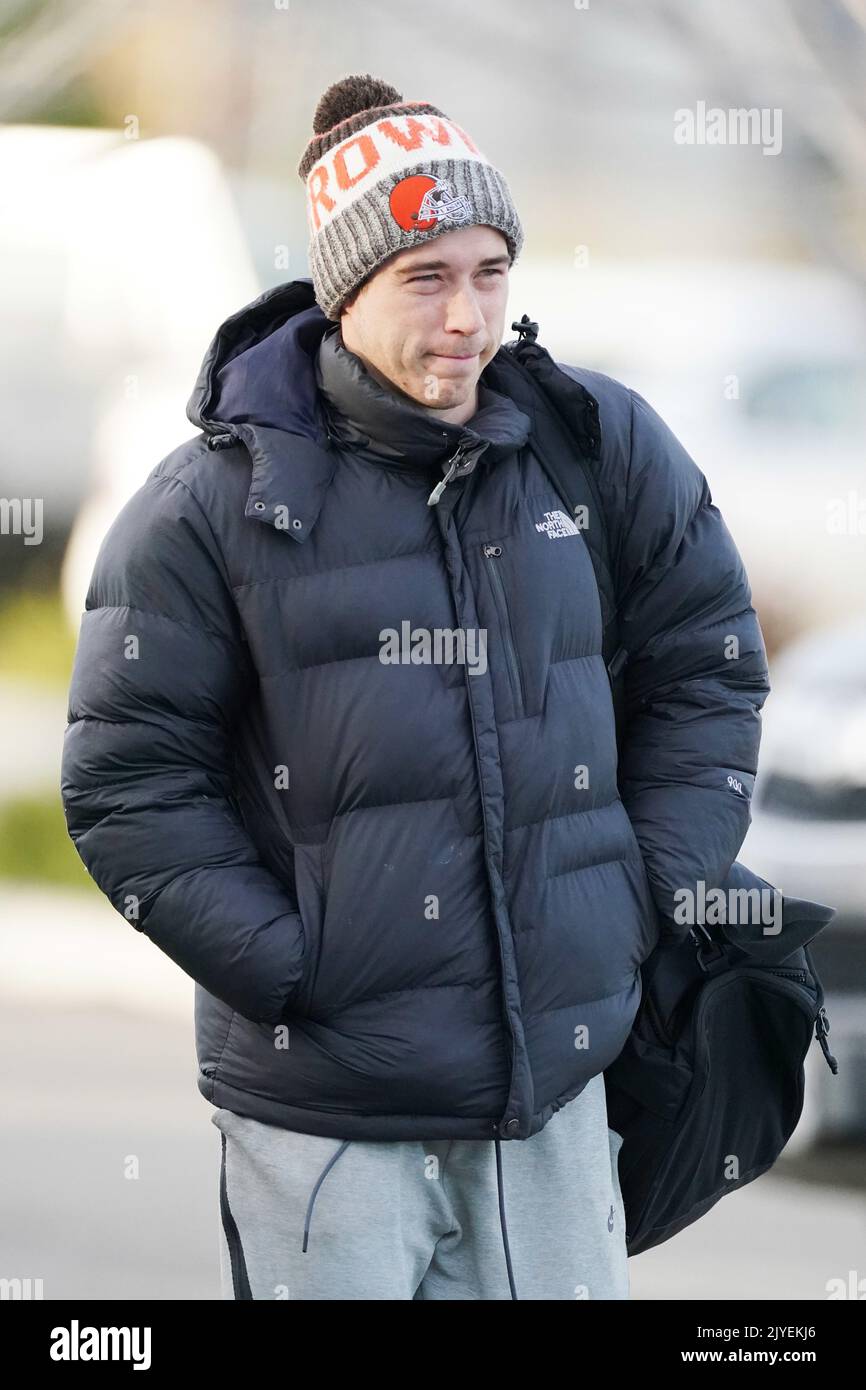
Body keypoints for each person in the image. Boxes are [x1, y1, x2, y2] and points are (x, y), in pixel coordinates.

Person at [60, 73, 770, 1300]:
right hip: (325, 1109)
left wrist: (640, 895)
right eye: (425, 279)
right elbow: (128, 783)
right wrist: (297, 968)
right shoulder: (209, 507)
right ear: (345, 293)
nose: (468, 318)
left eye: (489, 271)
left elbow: (707, 667)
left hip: (547, 1092)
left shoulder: (594, 446)